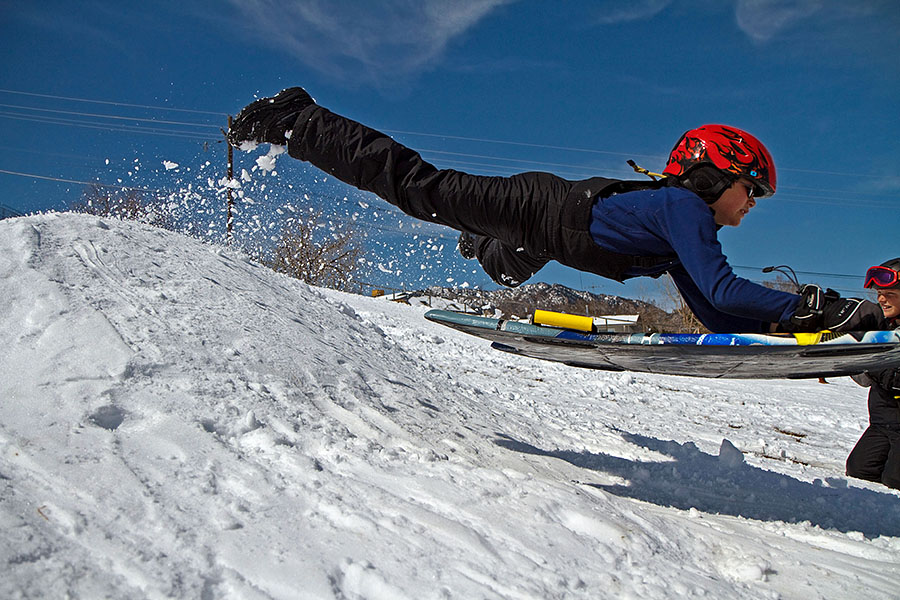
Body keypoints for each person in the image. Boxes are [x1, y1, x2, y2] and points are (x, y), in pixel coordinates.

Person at [228, 87, 876, 333]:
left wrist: (788, 334)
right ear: (714, 179)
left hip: (554, 234)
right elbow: (724, 288)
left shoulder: (682, 228)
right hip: (542, 207)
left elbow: (713, 308)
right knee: (423, 189)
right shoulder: (685, 210)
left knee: (506, 272)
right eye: (751, 191)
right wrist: (805, 307)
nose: (753, 205)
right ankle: (297, 121)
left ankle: (479, 243)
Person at [846, 258, 900, 489]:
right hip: (882, 423)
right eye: (879, 293)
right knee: (860, 470)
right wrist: (850, 351)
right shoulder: (883, 330)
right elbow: (864, 379)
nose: (880, 299)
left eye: (888, 293)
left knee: (894, 480)